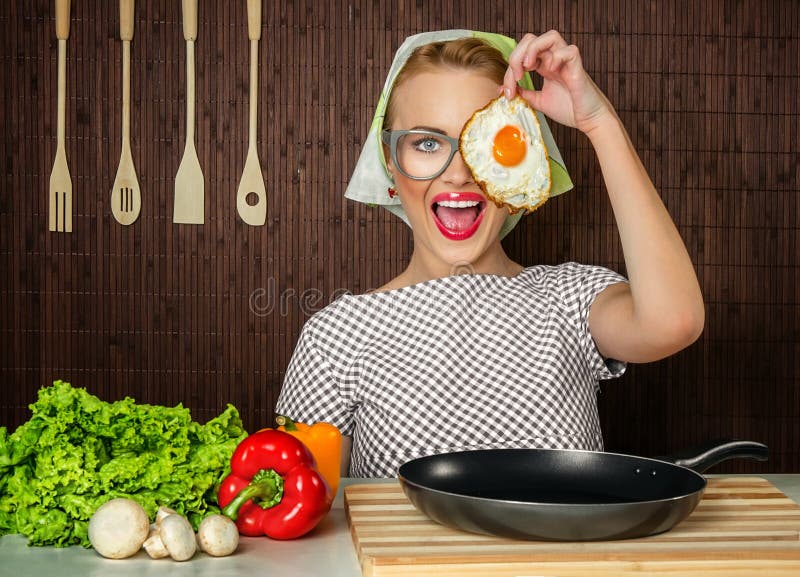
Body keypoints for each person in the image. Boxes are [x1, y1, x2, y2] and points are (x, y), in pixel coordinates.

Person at [275, 30, 704, 478]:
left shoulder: (570, 300)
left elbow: (673, 322)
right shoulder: (336, 338)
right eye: (426, 143)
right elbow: (303, 507)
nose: (459, 174)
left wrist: (600, 122)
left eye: (488, 139)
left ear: (526, 162)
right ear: (388, 163)